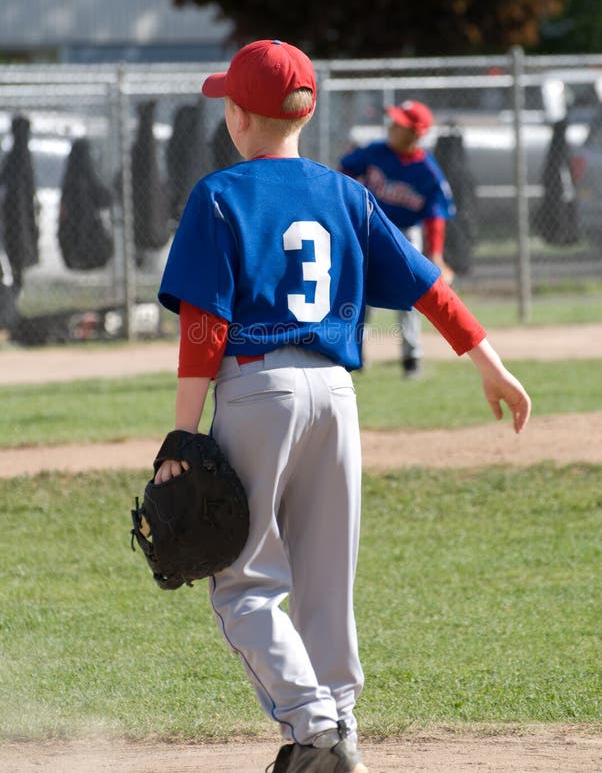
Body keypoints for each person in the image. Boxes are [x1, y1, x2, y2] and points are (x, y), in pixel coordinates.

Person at [154, 40, 532, 773]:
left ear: (237, 117)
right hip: (335, 394)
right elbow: (428, 286)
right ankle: (339, 727)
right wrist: (491, 364)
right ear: (306, 113)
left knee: (244, 584)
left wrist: (181, 434)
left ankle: (316, 730)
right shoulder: (346, 193)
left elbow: (204, 325)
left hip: (257, 389)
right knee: (326, 582)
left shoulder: (220, 195)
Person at [339, 101, 455, 378]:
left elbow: (435, 217)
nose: (391, 126)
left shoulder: (427, 171)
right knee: (361, 291)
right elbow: (343, 172)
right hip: (369, 229)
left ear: (415, 133)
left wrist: (436, 255)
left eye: (399, 124)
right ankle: (355, 354)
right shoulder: (375, 151)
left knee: (409, 295)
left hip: (405, 233)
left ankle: (411, 358)